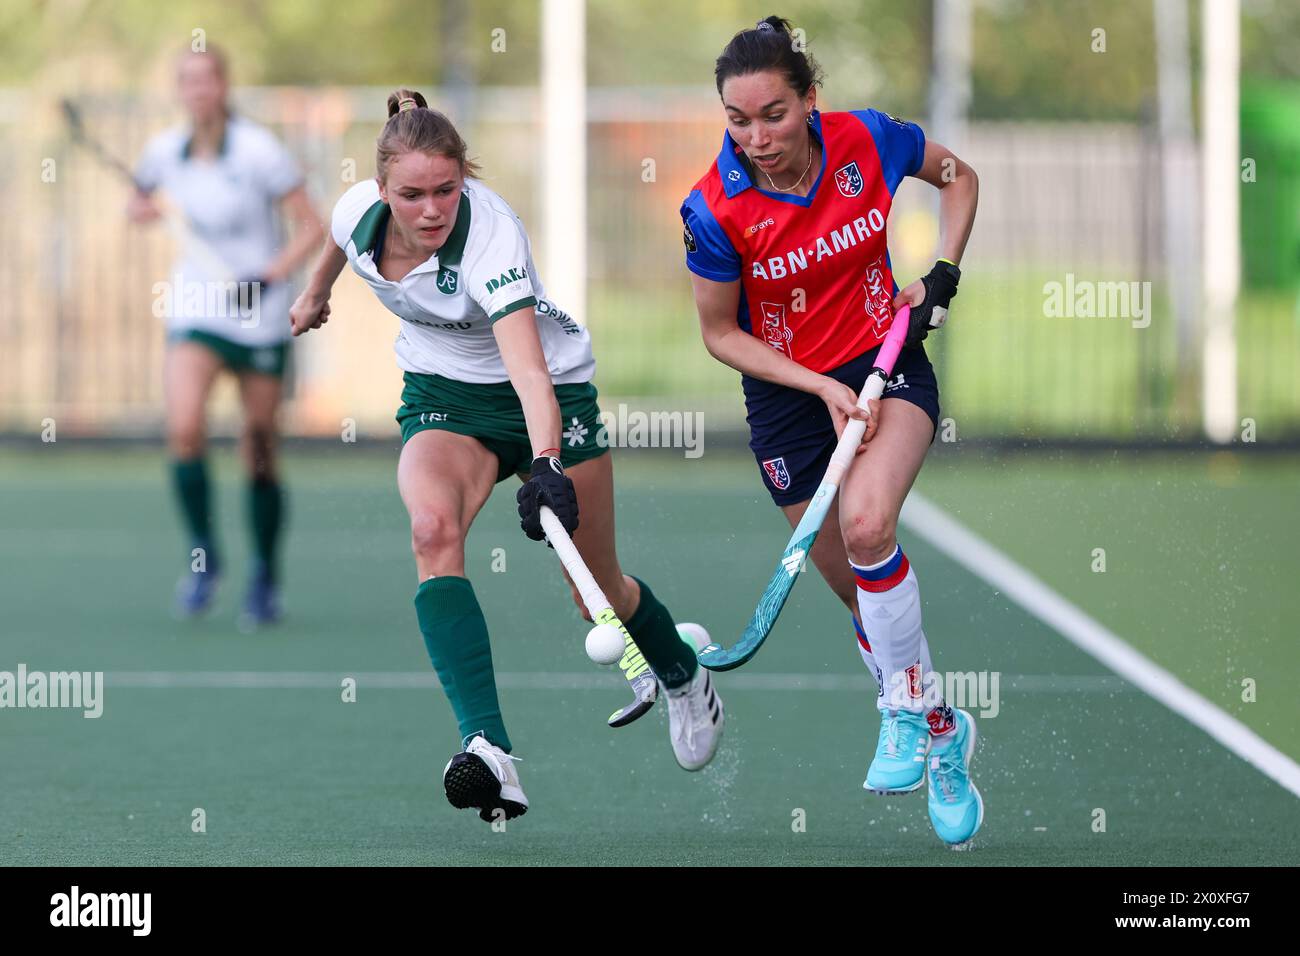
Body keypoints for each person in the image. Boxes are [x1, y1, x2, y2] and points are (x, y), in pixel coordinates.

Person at [290, 89, 724, 824]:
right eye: (412, 195)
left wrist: (547, 462)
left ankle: (682, 674)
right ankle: (488, 747)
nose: (431, 210)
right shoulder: (356, 212)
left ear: (466, 178)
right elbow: (339, 243)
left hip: (548, 394)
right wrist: (314, 295)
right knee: (432, 531)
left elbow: (528, 371)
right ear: (382, 188)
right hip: (446, 398)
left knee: (598, 594)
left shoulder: (490, 239)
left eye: (447, 190)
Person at [679, 17, 982, 845]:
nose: (756, 137)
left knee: (867, 522)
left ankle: (899, 714)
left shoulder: (867, 141)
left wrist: (943, 273)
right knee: (859, 592)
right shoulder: (716, 207)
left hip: (888, 360)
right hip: (787, 397)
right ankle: (945, 727)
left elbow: (959, 178)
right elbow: (720, 333)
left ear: (811, 100)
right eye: (737, 120)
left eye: (773, 114)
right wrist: (816, 385)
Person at [128, 46, 324, 627]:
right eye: (186, 80)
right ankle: (204, 559)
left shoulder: (260, 150)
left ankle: (264, 575)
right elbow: (136, 201)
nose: (197, 90)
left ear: (223, 86)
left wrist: (269, 273)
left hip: (258, 312)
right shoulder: (164, 150)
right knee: (184, 427)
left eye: (205, 80)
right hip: (196, 308)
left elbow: (312, 226)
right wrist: (140, 209)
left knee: (259, 449)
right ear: (179, 89)